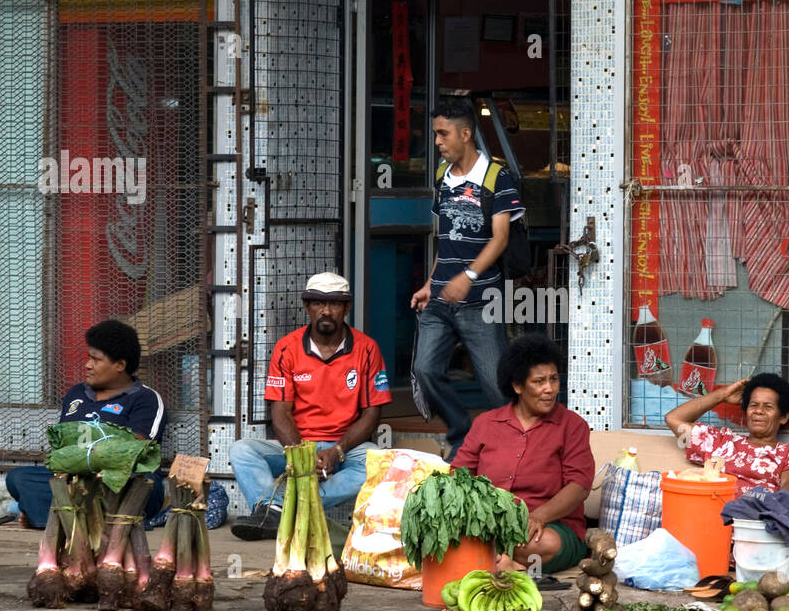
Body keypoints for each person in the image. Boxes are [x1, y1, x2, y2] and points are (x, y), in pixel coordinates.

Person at [230, 272, 392, 540]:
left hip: (343, 449)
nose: (326, 311)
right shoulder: (286, 349)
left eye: (334, 304)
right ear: (307, 307)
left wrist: (337, 450)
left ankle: (281, 510)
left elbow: (372, 413)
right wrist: (300, 455)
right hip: (295, 447)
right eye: (317, 303)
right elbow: (280, 412)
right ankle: (277, 507)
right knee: (241, 450)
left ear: (347, 307)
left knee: (377, 460)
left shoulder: (367, 349)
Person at [410, 97, 524, 460]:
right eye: (436, 134)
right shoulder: (444, 179)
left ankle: (515, 446)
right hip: (441, 298)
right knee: (425, 370)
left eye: (443, 134)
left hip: (480, 301)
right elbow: (446, 240)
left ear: (465, 133)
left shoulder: (496, 177)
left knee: (496, 384)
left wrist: (469, 276)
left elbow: (501, 238)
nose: (438, 142)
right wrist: (431, 283)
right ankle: (462, 432)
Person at [451, 333, 594, 575]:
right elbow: (459, 472)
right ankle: (508, 563)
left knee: (544, 543)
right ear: (517, 386)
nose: (549, 389)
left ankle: (493, 559)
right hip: (489, 525)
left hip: (550, 526)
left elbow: (579, 486)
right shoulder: (487, 423)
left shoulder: (572, 425)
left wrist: (539, 516)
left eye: (553, 380)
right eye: (539, 382)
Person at [6, 320, 167, 529]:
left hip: (120, 479)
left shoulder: (146, 398)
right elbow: (64, 444)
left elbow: (137, 448)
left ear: (120, 365)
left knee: (143, 487)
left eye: (95, 359)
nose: (87, 365)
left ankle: (50, 515)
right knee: (18, 478)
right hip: (76, 479)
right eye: (89, 358)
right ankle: (85, 517)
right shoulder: (76, 394)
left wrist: (90, 460)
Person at [664, 372, 789, 498]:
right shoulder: (722, 442)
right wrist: (722, 395)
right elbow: (674, 419)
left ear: (783, 417)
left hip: (761, 520)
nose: (758, 411)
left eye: (768, 407)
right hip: (714, 514)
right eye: (753, 405)